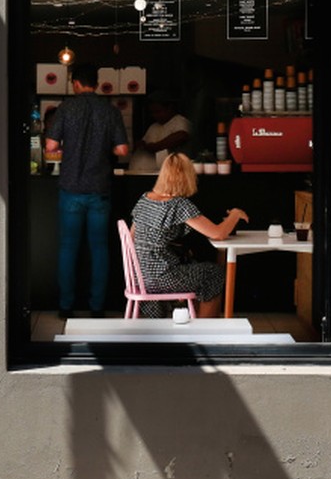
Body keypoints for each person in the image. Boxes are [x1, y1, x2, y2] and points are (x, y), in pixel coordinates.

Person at [45, 64, 130, 318]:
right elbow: (123, 150)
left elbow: (50, 146)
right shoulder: (110, 111)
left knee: (68, 247)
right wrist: (106, 151)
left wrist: (67, 151)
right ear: (95, 82)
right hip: (100, 189)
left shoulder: (66, 109)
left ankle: (66, 307)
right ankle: (97, 308)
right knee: (100, 248)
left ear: (76, 83)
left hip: (71, 187)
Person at [130, 153, 249, 318]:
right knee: (213, 274)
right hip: (161, 278)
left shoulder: (144, 199)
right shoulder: (178, 204)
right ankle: (204, 331)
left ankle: (195, 323)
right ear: (187, 177)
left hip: (139, 277)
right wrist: (235, 215)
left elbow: (131, 238)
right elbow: (218, 233)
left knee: (194, 265)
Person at [136, 91, 191, 171]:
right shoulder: (153, 126)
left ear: (170, 108)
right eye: (152, 112)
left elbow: (181, 136)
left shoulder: (180, 121)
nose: (155, 115)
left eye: (158, 111)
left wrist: (155, 147)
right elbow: (144, 142)